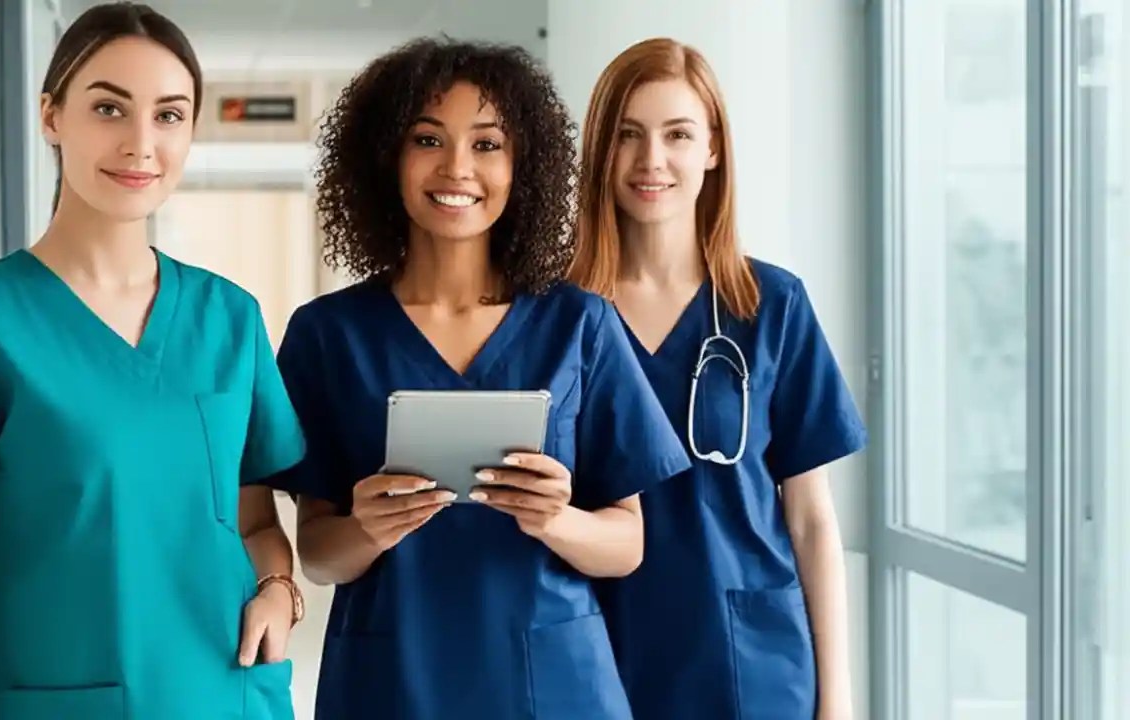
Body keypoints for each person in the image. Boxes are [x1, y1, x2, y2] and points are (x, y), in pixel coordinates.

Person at [0, 4, 306, 718]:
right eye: (109, 107)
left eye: (169, 116)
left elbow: (256, 526)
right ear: (52, 117)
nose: (140, 143)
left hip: (227, 695)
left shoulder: (229, 318)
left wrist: (279, 594)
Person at [269, 37, 690, 720]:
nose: (458, 167)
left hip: (553, 686)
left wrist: (556, 519)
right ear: (387, 157)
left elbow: (628, 545)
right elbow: (317, 553)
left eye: (488, 144)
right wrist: (370, 529)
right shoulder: (329, 334)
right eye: (427, 139)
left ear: (524, 164)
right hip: (392, 682)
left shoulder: (580, 325)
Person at [572, 38, 868, 720]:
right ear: (601, 151)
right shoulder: (557, 315)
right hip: (598, 649)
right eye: (628, 135)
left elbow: (811, 519)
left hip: (750, 659)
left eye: (678, 134)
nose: (652, 160)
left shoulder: (771, 305)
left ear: (712, 149)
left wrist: (839, 699)